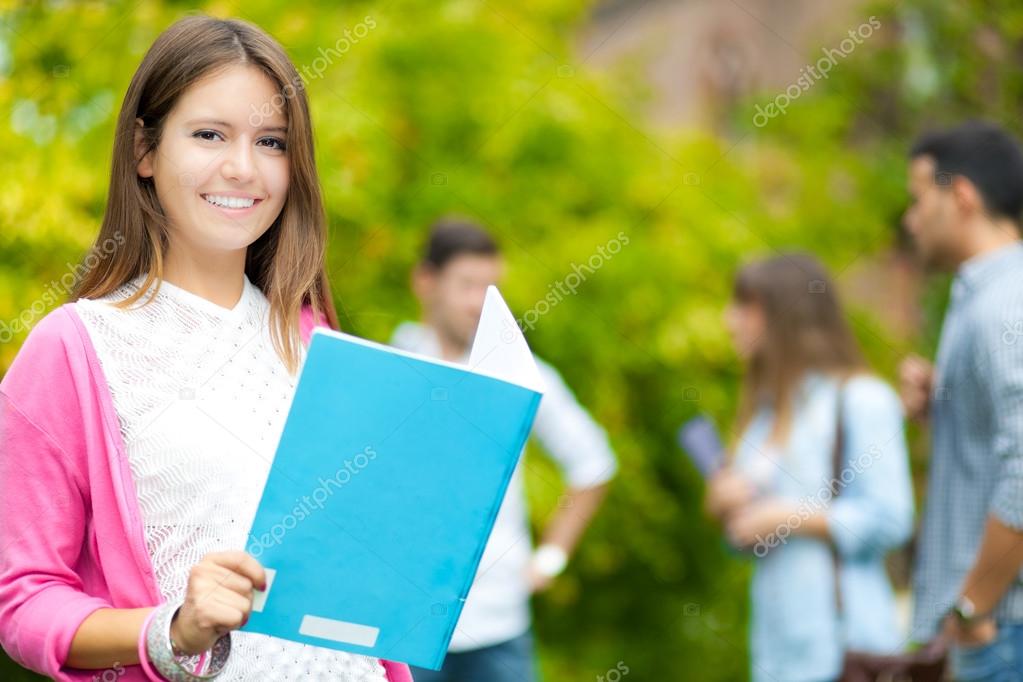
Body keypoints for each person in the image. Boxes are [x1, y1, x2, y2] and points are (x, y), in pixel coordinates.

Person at [0, 16, 412, 682]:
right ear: (145, 150)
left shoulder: (319, 342)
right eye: (209, 135)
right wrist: (170, 628)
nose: (243, 168)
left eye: (271, 141)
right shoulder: (75, 348)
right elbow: (24, 600)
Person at [393, 219, 618, 682]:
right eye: (467, 285)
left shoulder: (521, 374)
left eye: (491, 288)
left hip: (499, 627)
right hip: (404, 626)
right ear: (425, 282)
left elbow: (594, 463)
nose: (480, 303)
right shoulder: (392, 364)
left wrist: (551, 558)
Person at [707, 253, 914, 682]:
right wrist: (729, 510)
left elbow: (892, 519)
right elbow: (747, 539)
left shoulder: (860, 399)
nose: (729, 320)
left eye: (745, 305)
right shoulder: (765, 413)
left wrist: (788, 516)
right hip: (777, 655)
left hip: (845, 648)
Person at [901, 120, 1023, 681]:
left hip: (1004, 630)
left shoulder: (1006, 304)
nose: (911, 220)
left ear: (963, 196)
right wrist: (945, 403)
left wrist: (972, 606)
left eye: (919, 198)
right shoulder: (986, 296)